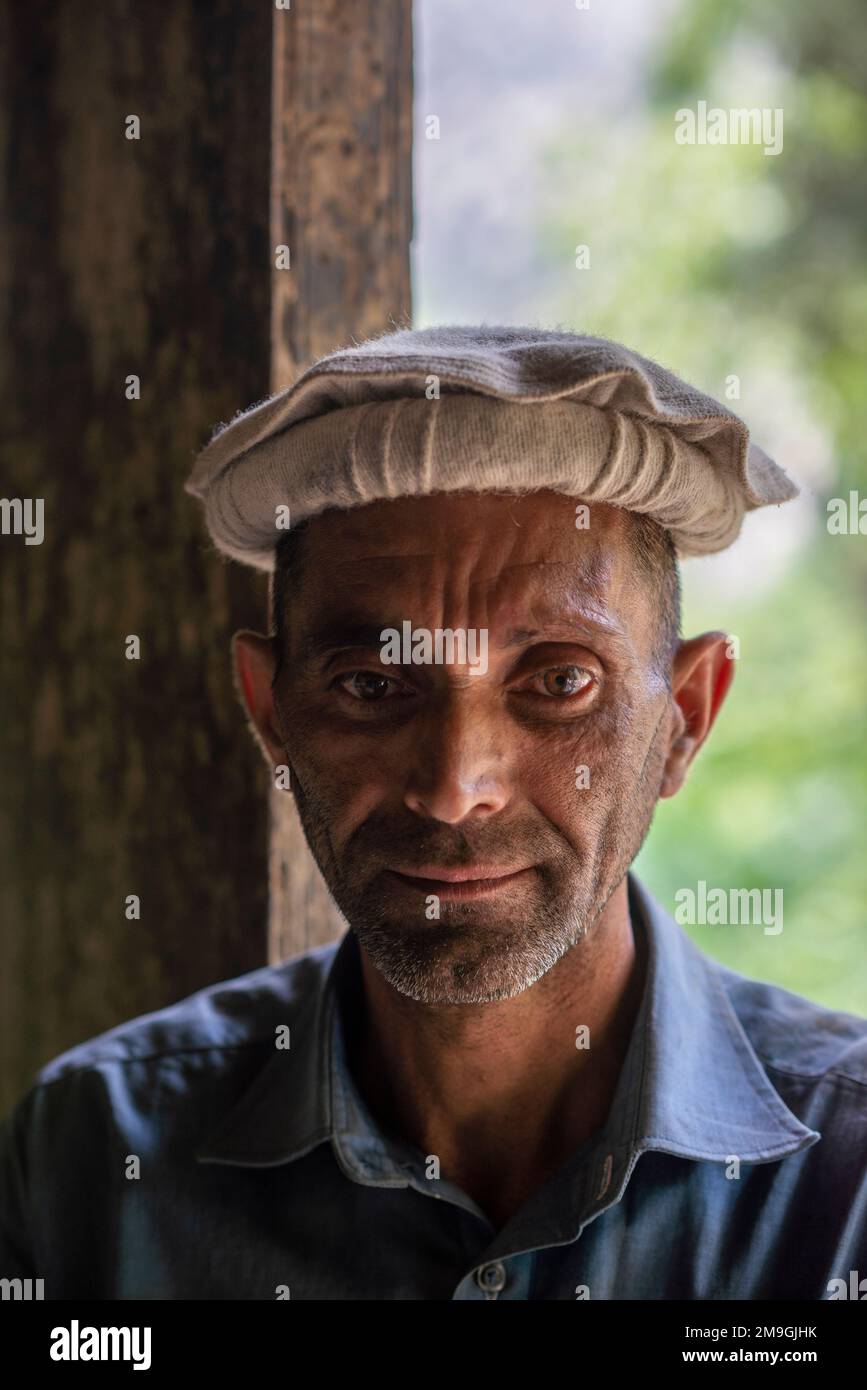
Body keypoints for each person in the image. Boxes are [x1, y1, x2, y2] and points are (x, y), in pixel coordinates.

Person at [1, 325, 865, 1301]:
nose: (456, 784)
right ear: (270, 710)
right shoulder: (89, 1166)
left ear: (686, 719)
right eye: (371, 683)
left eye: (560, 680)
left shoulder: (849, 1191)